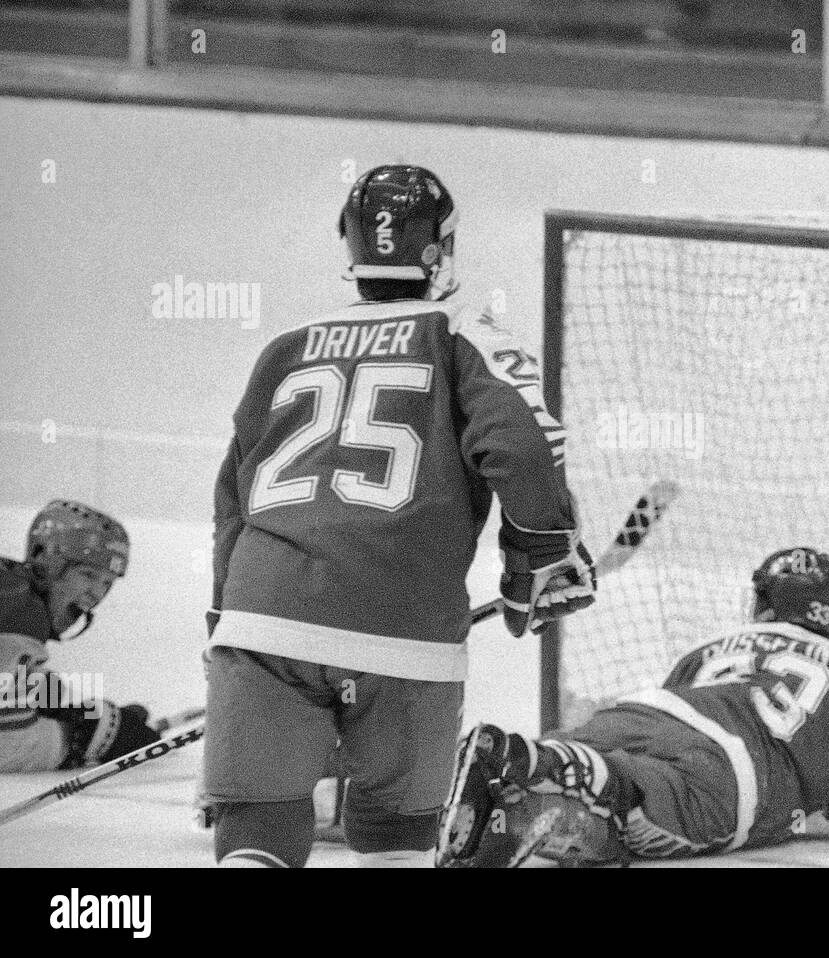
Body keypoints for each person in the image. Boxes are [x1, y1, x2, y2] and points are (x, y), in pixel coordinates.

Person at [204, 164, 595, 868]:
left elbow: (233, 499)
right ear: (440, 248)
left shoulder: (286, 345)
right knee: (395, 839)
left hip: (263, 615)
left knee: (256, 831)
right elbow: (522, 447)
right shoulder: (464, 331)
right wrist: (539, 552)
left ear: (349, 245)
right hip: (404, 633)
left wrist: (224, 619)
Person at [440, 547, 829, 867]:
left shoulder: (705, 650)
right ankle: (564, 775)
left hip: (643, 710)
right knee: (643, 795)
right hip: (729, 766)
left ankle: (523, 763)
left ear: (762, 603)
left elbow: (671, 726)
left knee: (595, 770)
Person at [0, 500, 158, 773]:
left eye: (107, 582)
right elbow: (7, 747)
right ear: (45, 560)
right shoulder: (19, 611)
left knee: (50, 689)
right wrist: (85, 736)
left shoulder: (11, 590)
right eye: (88, 575)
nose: (97, 593)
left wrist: (69, 708)